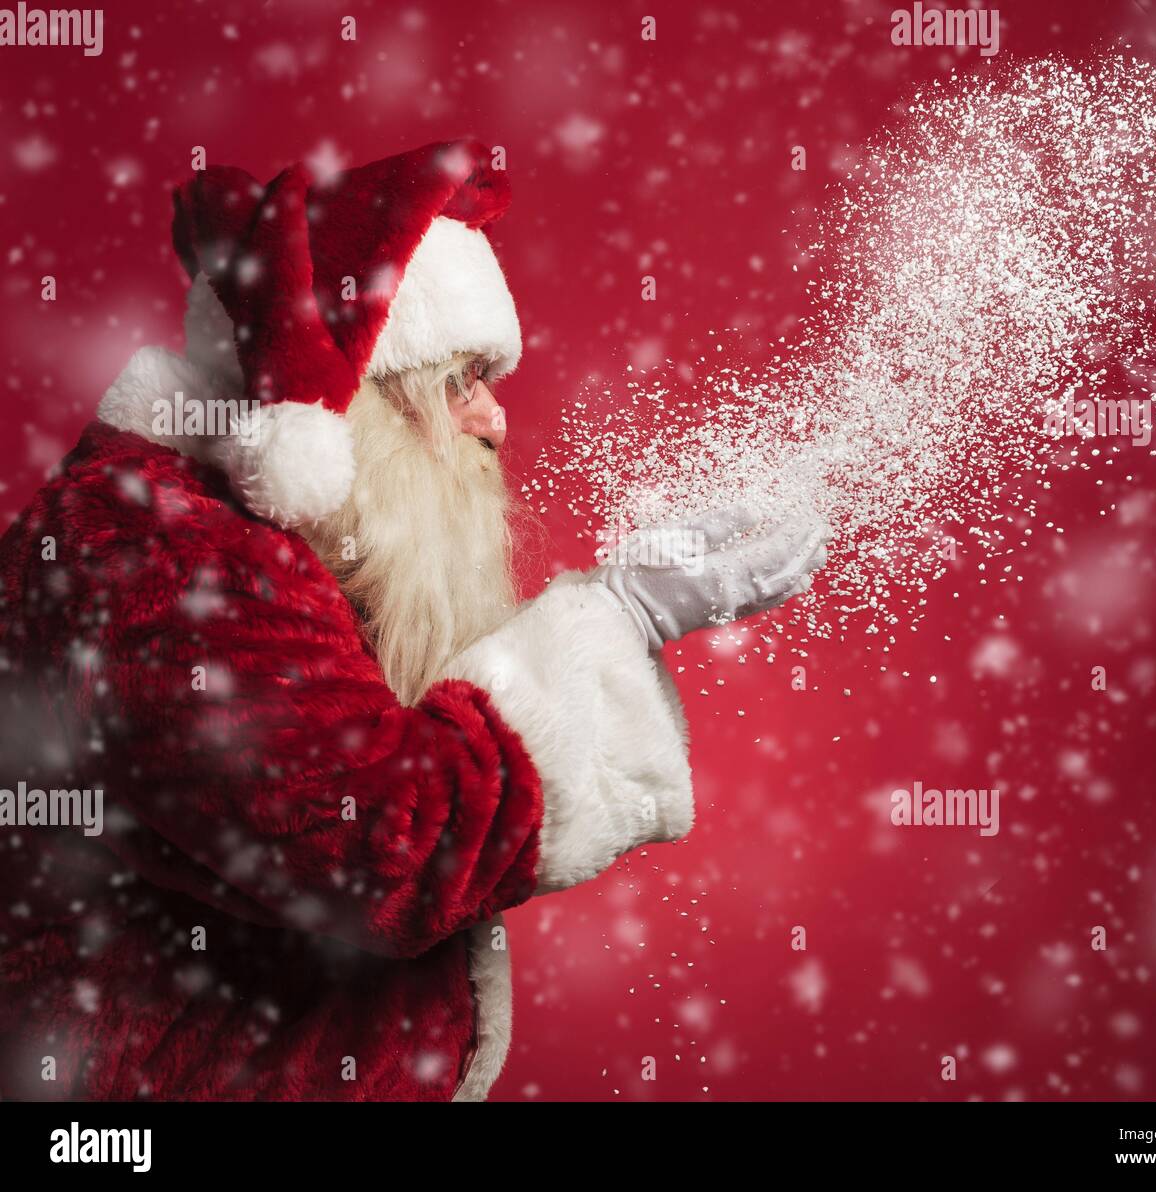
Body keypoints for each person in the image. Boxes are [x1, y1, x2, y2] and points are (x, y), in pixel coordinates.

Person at [0, 139, 825, 1101]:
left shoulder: (239, 525)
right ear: (351, 406)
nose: (495, 422)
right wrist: (617, 617)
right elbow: (389, 835)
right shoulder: (164, 558)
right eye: (457, 381)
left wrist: (618, 610)